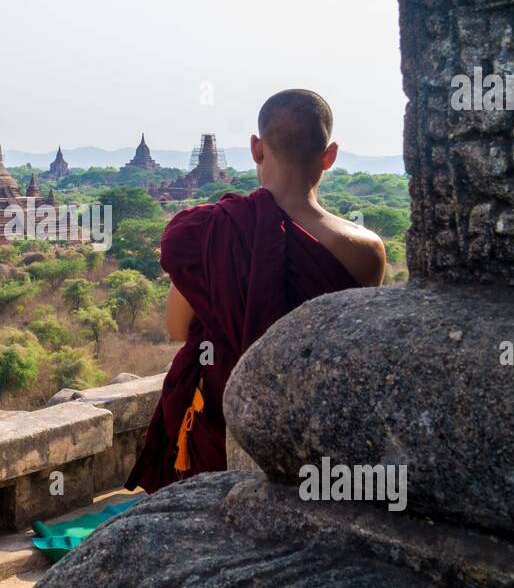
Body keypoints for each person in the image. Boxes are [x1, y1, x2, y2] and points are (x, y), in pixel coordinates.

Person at [126, 89, 386, 494]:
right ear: (330, 155)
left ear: (255, 148)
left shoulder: (210, 232)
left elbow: (178, 328)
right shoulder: (365, 250)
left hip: (222, 411)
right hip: (312, 428)